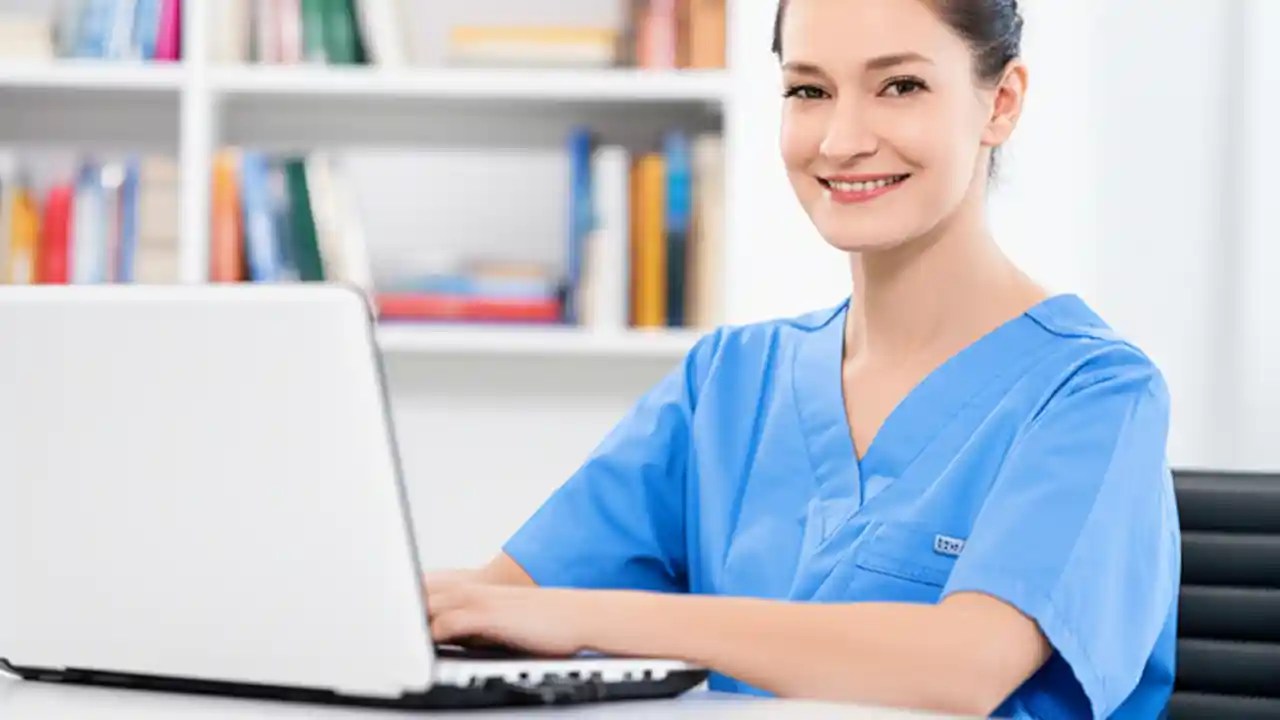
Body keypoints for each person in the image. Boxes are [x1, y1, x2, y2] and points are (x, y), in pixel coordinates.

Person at [425, 0, 1180, 717]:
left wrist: (581, 617)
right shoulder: (728, 380)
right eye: (808, 90)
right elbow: (500, 608)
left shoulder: (1096, 394)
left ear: (1001, 102)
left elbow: (962, 668)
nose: (840, 139)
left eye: (900, 85)